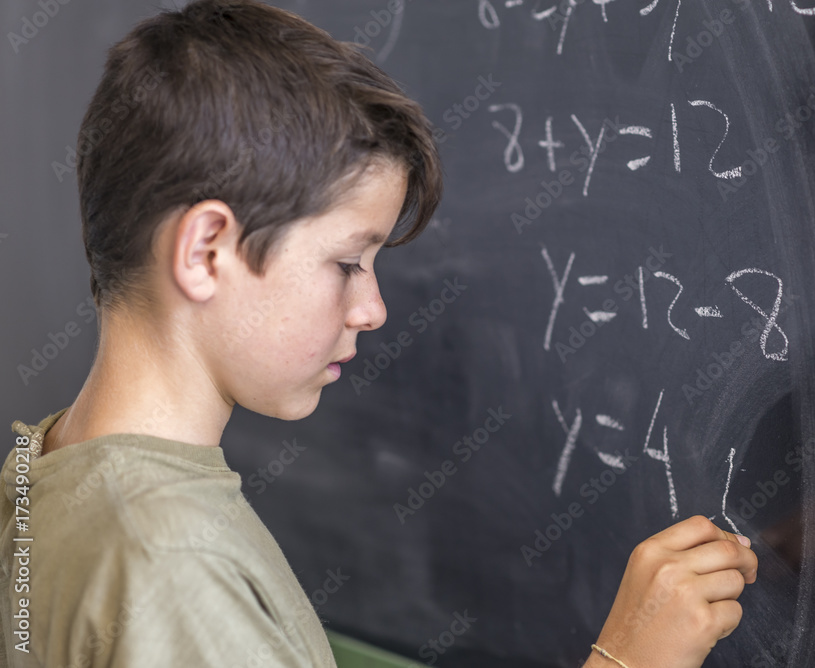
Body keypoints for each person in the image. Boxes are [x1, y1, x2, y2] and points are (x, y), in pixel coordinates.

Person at [2, 1, 757, 666]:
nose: (373, 309)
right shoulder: (172, 565)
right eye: (346, 263)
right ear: (205, 252)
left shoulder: (40, 473)